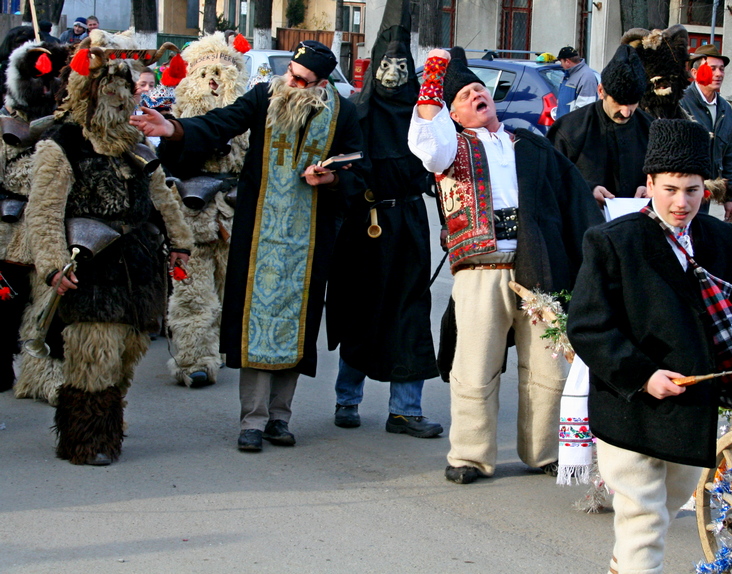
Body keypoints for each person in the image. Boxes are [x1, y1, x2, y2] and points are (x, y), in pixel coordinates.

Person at [567, 118, 732, 574]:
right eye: (669, 189)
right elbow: (588, 327)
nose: (681, 202)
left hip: (691, 407)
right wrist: (643, 376)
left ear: (705, 188)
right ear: (649, 185)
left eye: (692, 190)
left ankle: (622, 563)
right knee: (644, 519)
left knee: (664, 508)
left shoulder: (718, 239)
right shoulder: (613, 242)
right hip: (631, 405)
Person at [134, 40, 368, 452]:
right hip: (258, 233)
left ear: (320, 83)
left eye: (302, 81)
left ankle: (281, 418)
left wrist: (330, 179)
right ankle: (253, 421)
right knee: (256, 324)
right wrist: (173, 128)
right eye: (291, 75)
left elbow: (358, 172)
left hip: (308, 240)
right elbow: (221, 122)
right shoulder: (264, 97)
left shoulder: (342, 113)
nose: (291, 84)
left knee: (293, 328)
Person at [408, 47, 602, 484]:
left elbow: (569, 193)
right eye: (466, 95)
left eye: (481, 89)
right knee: (475, 365)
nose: (478, 95)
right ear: (451, 114)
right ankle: (470, 456)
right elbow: (424, 138)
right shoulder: (448, 146)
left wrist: (599, 199)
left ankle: (544, 451)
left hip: (538, 266)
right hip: (481, 271)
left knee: (550, 365)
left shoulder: (529, 143)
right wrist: (435, 77)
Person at [26, 47, 193, 465]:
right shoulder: (60, 144)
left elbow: (164, 198)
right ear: (88, 92)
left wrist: (181, 243)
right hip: (89, 263)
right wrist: (51, 267)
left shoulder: (136, 146)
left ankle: (107, 428)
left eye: (124, 89)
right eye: (109, 89)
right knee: (92, 354)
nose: (119, 98)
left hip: (137, 265)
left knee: (127, 353)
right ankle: (85, 440)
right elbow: (44, 212)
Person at [325, 21, 442, 438]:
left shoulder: (424, 118)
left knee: (410, 313)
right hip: (362, 225)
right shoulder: (355, 112)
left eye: (401, 66)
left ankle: (405, 410)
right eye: (386, 65)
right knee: (360, 309)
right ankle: (347, 399)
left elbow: (442, 169)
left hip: (408, 225)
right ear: (375, 68)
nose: (393, 74)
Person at [159, 32, 249, 389]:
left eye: (222, 73)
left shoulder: (248, 121)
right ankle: (194, 358)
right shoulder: (177, 118)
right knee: (193, 292)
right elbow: (170, 163)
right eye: (206, 73)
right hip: (190, 218)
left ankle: (227, 347)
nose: (214, 80)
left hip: (233, 213)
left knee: (232, 288)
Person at [0, 40, 70, 396]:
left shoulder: (66, 124)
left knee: (48, 309)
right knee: (6, 307)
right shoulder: (5, 124)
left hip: (53, 230)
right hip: (11, 232)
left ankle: (42, 377)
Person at [547, 44, 652, 208]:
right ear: (601, 91)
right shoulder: (569, 129)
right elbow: (549, 176)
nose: (626, 112)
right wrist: (588, 190)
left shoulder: (651, 129)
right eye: (618, 103)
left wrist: (651, 187)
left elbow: (668, 178)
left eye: (632, 104)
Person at [680, 44, 732, 223]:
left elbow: (728, 156)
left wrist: (729, 198)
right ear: (695, 73)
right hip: (683, 191)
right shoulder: (681, 104)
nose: (719, 74)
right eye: (712, 69)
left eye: (721, 69)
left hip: (707, 190)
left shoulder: (725, 110)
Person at [554, 46, 598, 119]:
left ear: (567, 61)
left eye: (561, 62)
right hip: (564, 124)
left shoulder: (586, 77)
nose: (561, 65)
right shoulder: (568, 74)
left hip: (573, 126)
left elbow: (585, 108)